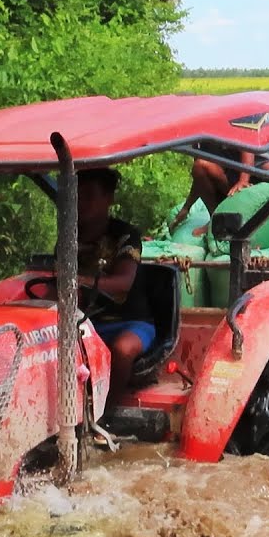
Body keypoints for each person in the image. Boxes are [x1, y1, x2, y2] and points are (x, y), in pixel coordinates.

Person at [72, 167, 154, 406]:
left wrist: (80, 280)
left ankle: (109, 412)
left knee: (123, 349)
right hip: (87, 322)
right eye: (77, 196)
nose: (81, 203)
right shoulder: (69, 237)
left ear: (109, 199)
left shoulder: (126, 236)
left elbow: (123, 282)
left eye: (89, 195)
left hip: (132, 322)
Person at [170, 141, 269, 239]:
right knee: (200, 166)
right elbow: (199, 177)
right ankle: (216, 221)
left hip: (255, 163)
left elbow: (247, 148)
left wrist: (243, 180)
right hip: (229, 174)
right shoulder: (196, 140)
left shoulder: (224, 118)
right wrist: (186, 207)